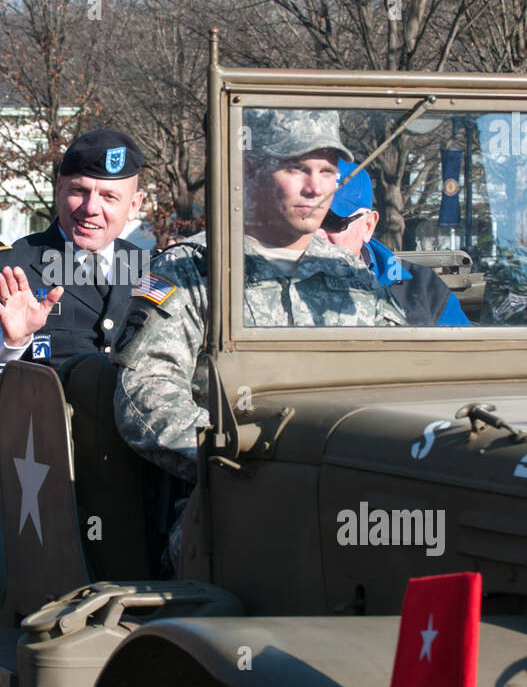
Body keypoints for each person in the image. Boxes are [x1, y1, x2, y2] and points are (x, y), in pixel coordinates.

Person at [112, 110, 404, 514]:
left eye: (327, 171)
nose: (315, 188)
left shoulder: (351, 275)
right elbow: (145, 396)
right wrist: (251, 462)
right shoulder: (193, 269)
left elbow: (404, 377)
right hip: (235, 509)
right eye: (297, 168)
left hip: (353, 494)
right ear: (252, 171)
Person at [0, 128, 145, 462]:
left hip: (138, 451)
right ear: (59, 190)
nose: (91, 208)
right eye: (79, 191)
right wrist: (8, 343)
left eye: (109, 197)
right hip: (45, 457)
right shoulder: (10, 264)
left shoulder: (150, 270)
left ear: (133, 205)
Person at [320, 160, 469, 326]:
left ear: (368, 226)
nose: (317, 233)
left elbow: (463, 350)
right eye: (303, 220)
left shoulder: (422, 290)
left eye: (331, 221)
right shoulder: (285, 283)